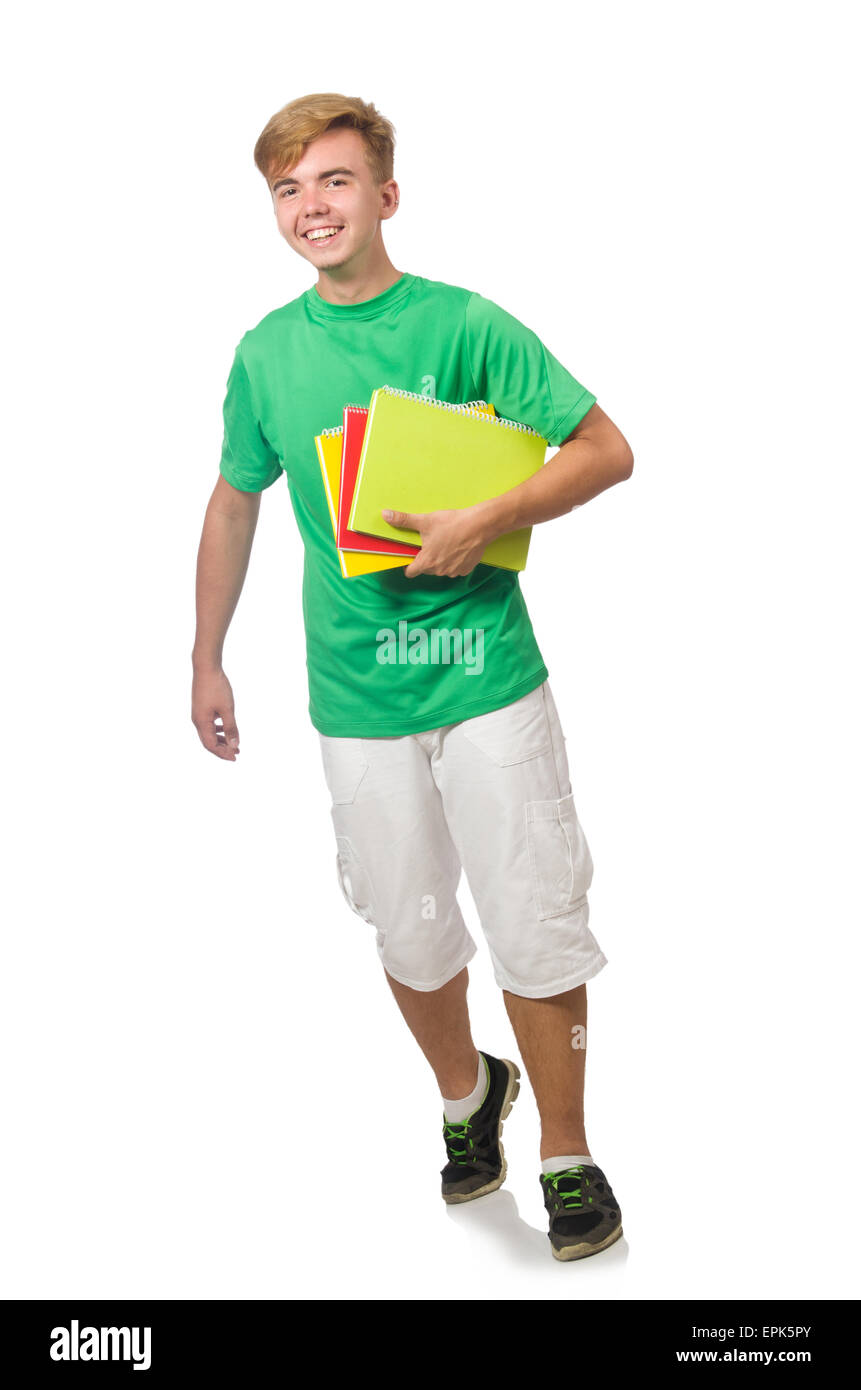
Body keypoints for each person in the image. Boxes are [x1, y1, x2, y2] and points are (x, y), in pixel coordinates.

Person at [191, 92, 633, 1262]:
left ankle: (569, 1153)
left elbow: (606, 446)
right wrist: (204, 654)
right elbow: (237, 499)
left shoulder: (465, 324)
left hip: (485, 678)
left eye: (333, 181)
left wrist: (490, 512)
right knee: (411, 930)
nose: (311, 207)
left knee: (536, 922)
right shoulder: (265, 354)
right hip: (355, 696)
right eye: (289, 189)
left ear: (385, 196)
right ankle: (466, 1094)